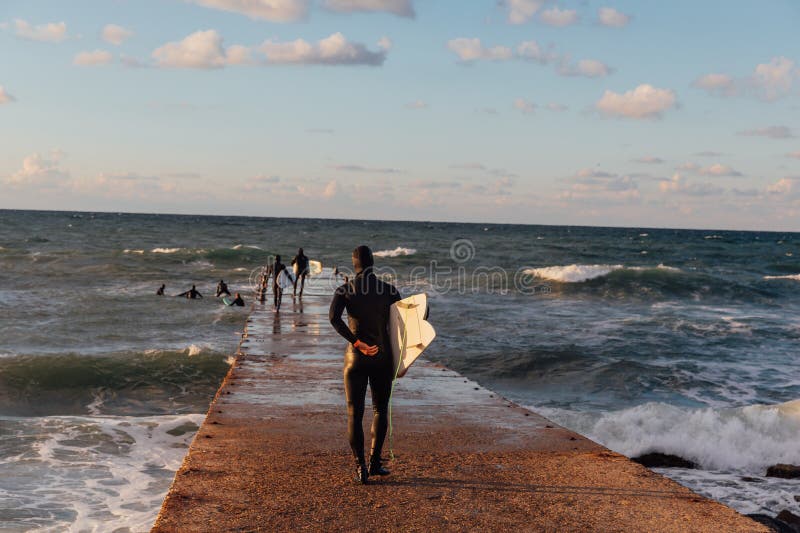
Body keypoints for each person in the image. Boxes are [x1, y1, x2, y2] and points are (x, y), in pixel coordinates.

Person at [329, 245, 401, 484]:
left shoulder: (345, 289)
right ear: (372, 263)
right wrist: (405, 358)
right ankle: (374, 463)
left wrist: (357, 342)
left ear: (354, 264)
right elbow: (411, 319)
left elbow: (333, 319)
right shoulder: (388, 290)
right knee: (380, 410)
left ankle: (360, 468)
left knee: (354, 413)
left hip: (356, 358)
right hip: (382, 358)